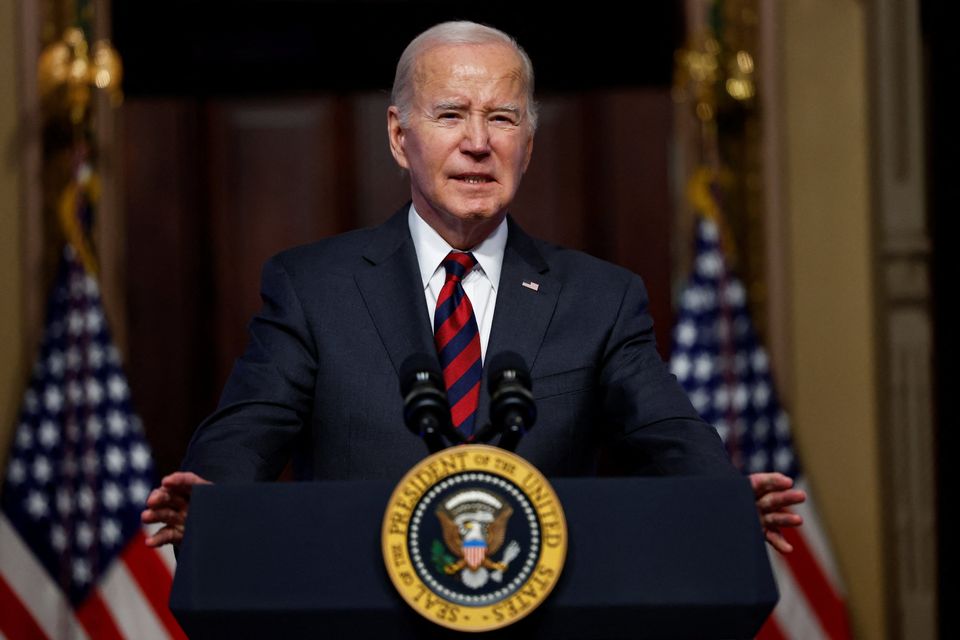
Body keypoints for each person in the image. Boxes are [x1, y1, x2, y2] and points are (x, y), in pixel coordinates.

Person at [142, 21, 804, 553]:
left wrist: (724, 499)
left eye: (504, 118)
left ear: (529, 144)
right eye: (452, 114)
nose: (479, 143)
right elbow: (247, 434)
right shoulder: (314, 288)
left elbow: (669, 434)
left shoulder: (600, 298)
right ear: (401, 137)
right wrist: (212, 496)